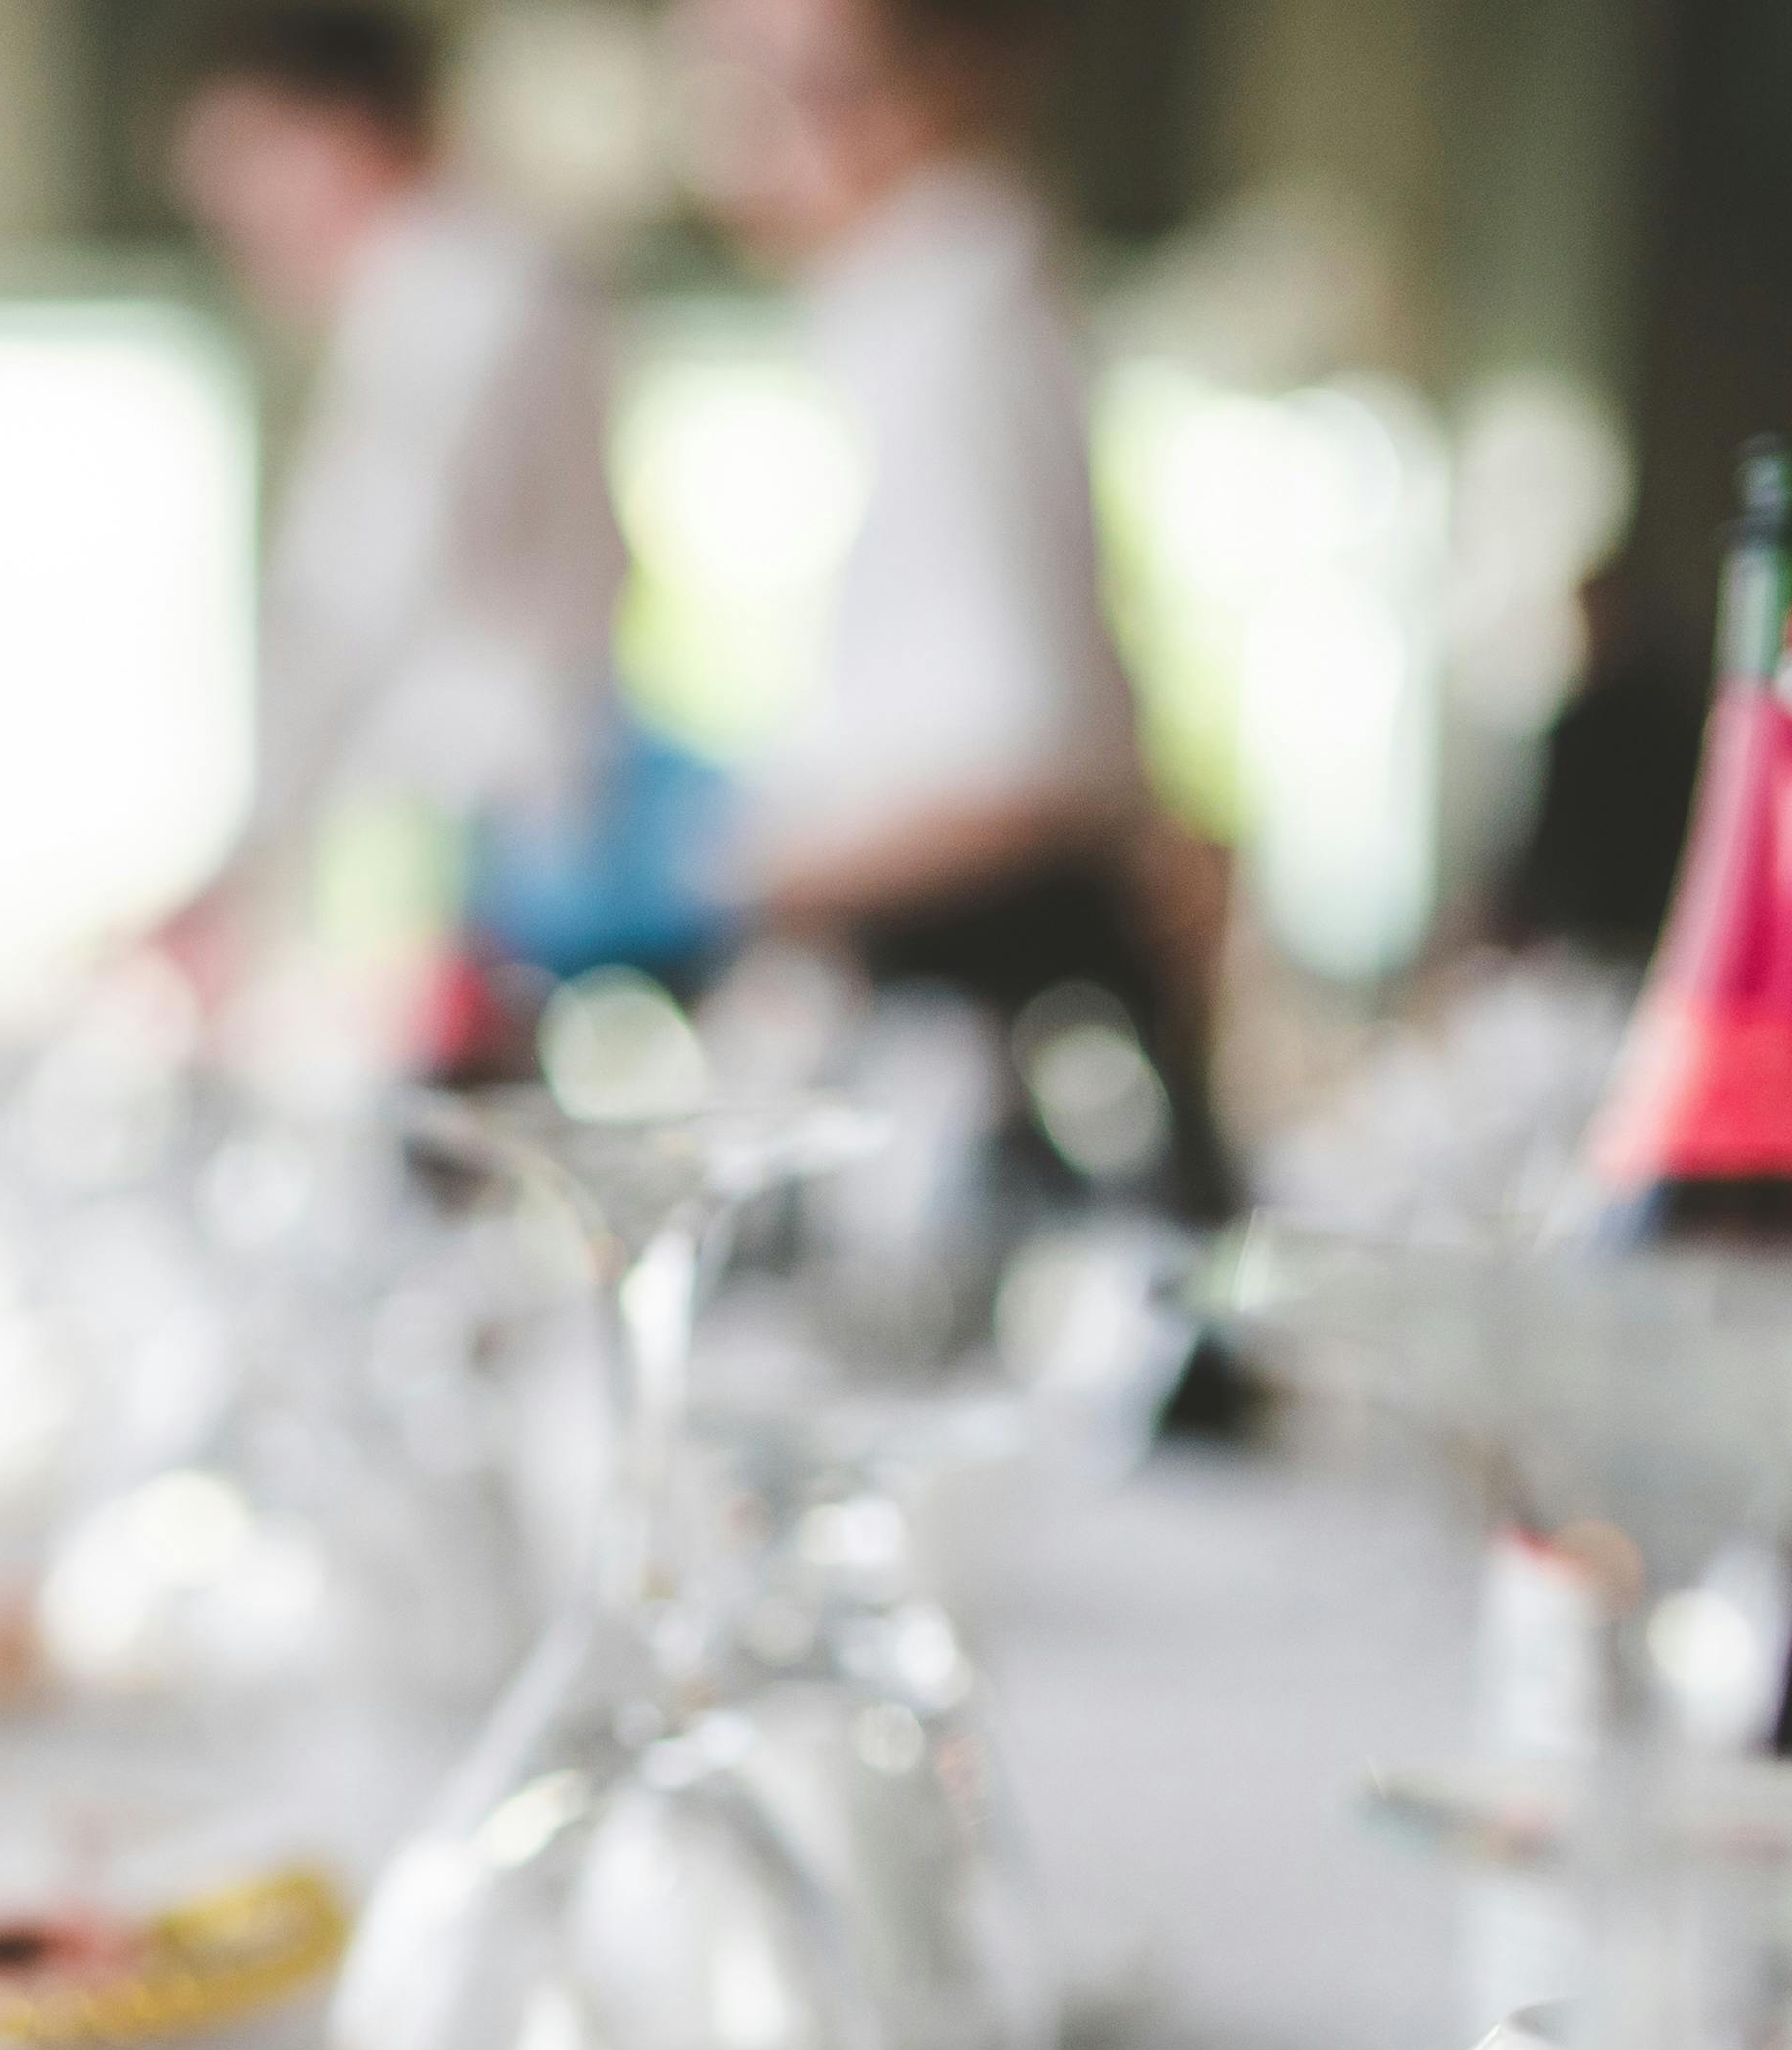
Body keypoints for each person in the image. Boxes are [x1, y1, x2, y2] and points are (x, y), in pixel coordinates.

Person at [672, 0, 1228, 1219]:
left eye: (809, 94)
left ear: (961, 78)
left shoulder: (954, 320)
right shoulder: (910, 310)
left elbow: (1025, 762)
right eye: (726, 89)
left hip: (997, 1012)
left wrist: (735, 867)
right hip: (999, 993)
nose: (742, 145)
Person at [162, 9, 702, 1020]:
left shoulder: (459, 289)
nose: (234, 226)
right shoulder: (472, 282)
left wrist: (244, 862)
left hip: (495, 844)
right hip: (495, 825)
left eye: (242, 172)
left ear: (338, 139)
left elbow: (363, 588)